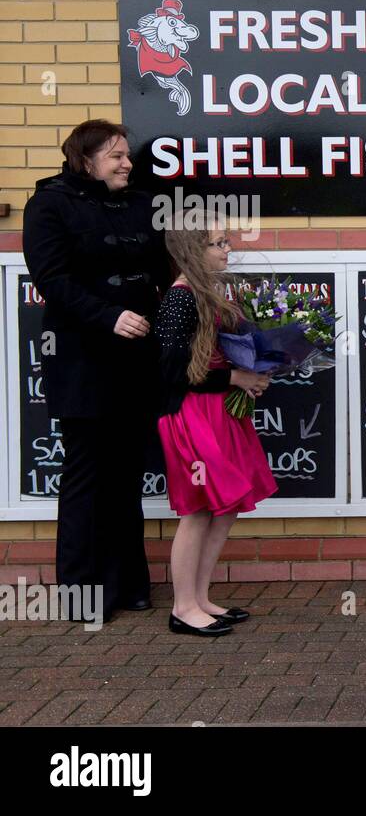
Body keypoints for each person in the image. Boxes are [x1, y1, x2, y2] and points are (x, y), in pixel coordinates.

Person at [22, 119, 170, 621]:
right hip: (82, 358)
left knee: (127, 471)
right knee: (87, 474)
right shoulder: (49, 204)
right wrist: (108, 316)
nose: (128, 163)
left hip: (137, 356)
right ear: (86, 160)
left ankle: (129, 584)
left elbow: (163, 268)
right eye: (116, 156)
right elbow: (52, 278)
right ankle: (82, 593)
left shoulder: (142, 203)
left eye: (127, 154)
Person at [155, 225, 276, 636]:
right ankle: (183, 607)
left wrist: (254, 373)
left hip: (221, 413)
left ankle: (201, 597)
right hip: (192, 415)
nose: (227, 250)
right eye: (218, 244)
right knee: (199, 509)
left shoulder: (212, 295)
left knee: (225, 509)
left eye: (227, 242)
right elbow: (171, 372)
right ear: (193, 249)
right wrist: (235, 378)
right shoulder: (180, 298)